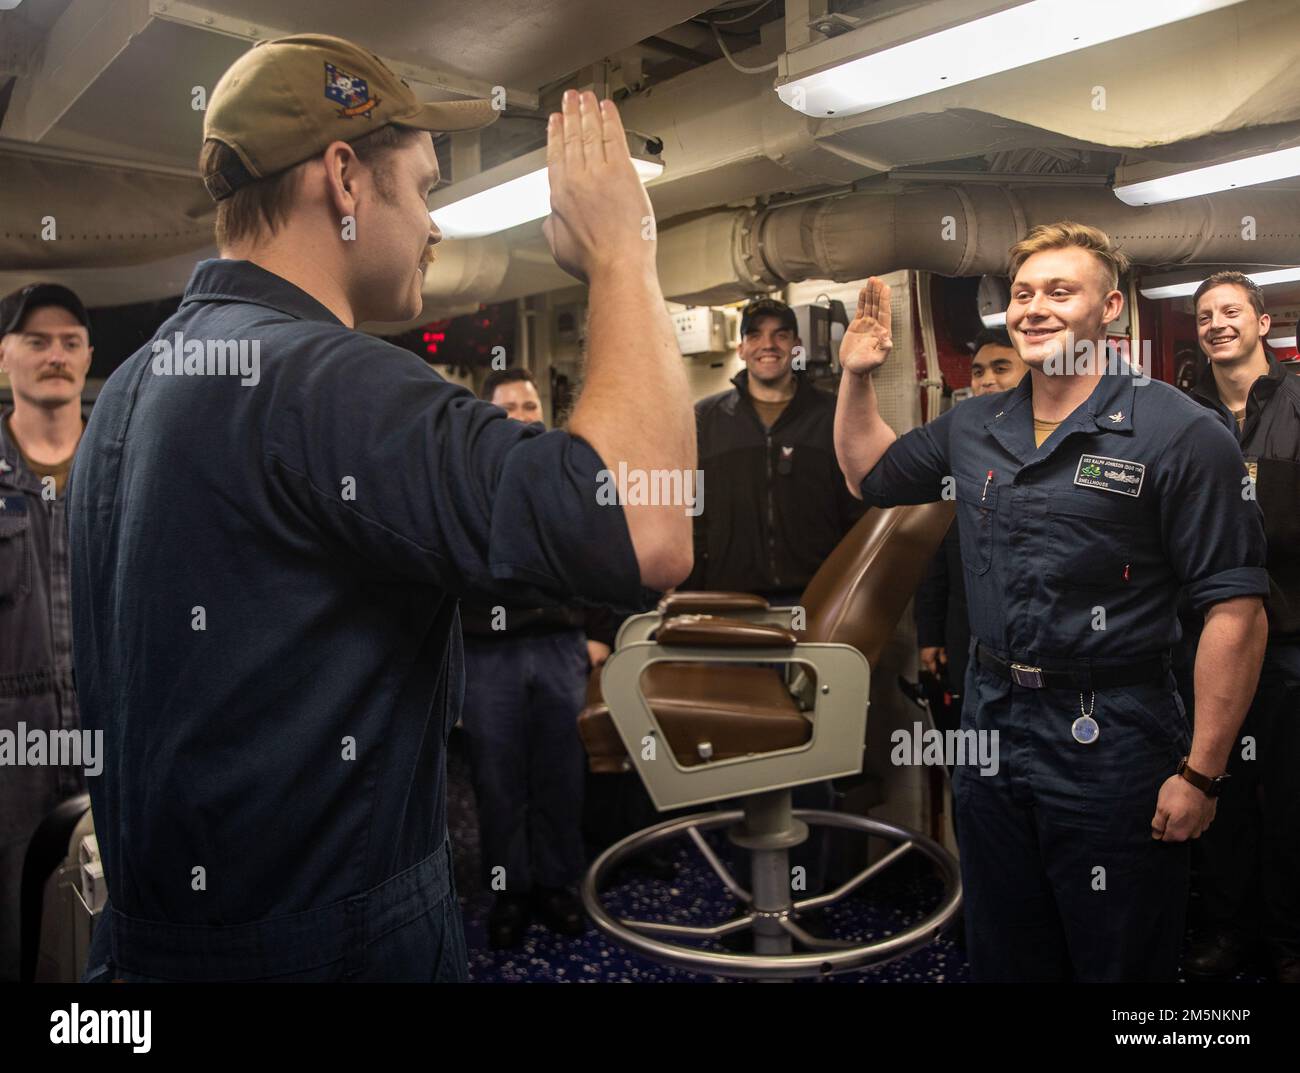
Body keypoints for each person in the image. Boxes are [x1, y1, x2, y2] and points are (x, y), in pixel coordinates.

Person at [70, 33, 693, 983]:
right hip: (324, 951)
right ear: (346, 180)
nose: (436, 226)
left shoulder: (131, 386)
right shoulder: (322, 378)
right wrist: (622, 254)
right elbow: (648, 526)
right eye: (428, 188)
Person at [835, 221, 1269, 982]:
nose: (1033, 308)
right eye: (1024, 294)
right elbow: (870, 476)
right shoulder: (975, 423)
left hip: (1117, 732)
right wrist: (858, 378)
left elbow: (1236, 610)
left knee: (1119, 955)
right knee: (1005, 948)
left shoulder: (1180, 433)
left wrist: (1201, 772)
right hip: (993, 719)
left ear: (1110, 313)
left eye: (1060, 292)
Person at [457, 366, 616, 949]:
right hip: (487, 654)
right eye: (510, 407)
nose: (523, 417)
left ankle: (556, 885)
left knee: (560, 775)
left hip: (559, 646)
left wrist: (598, 633)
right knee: (498, 782)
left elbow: (597, 554)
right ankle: (510, 891)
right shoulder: (463, 482)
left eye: (530, 406)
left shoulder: (566, 476)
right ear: (487, 416)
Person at [1184, 271, 1300, 983]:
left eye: (1231, 311)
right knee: (1215, 786)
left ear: (1262, 322)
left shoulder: (1296, 397)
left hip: (1290, 638)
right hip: (1206, 639)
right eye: (1204, 315)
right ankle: (1227, 930)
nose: (1217, 323)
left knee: (1292, 796)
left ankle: (1289, 939)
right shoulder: (1180, 411)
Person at [0, 283, 92, 981]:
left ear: (88, 357)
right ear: (5, 356)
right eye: (35, 340)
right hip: (9, 759)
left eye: (69, 341)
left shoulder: (125, 470)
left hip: (112, 746)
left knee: (107, 933)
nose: (54, 355)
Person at [685, 296, 863, 603]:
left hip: (818, 598)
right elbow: (690, 515)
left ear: (797, 345)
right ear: (741, 347)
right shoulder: (704, 418)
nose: (768, 344)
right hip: (726, 599)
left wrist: (850, 593)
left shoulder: (834, 416)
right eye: (755, 335)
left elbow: (858, 516)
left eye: (780, 335)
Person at [916, 328, 1028, 732]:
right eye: (978, 372)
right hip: (967, 633)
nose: (986, 380)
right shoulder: (956, 449)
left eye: (1001, 368)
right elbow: (934, 550)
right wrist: (930, 633)